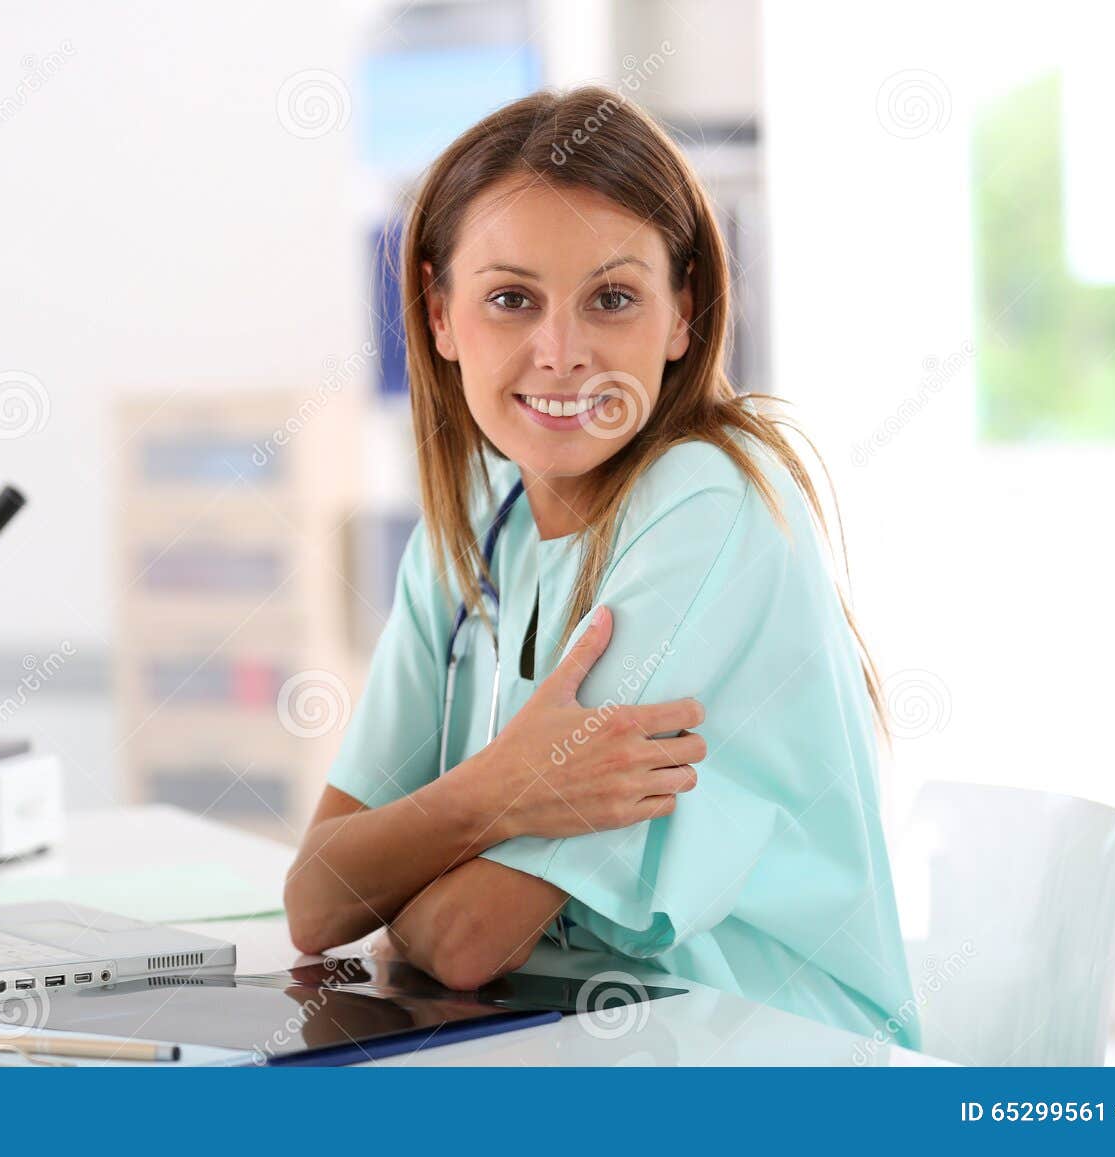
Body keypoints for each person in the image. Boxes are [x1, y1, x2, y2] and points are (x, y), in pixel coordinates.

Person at [283, 86, 919, 1048]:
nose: (562, 352)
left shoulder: (710, 506)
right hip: (552, 1039)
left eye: (613, 299)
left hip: (777, 1054)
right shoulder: (471, 521)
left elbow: (463, 941)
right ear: (440, 314)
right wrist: (506, 784)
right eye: (510, 299)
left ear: (681, 314)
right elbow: (319, 900)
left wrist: (404, 876)